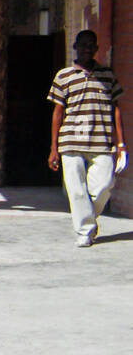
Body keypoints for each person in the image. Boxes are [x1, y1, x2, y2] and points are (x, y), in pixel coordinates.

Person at [48, 29, 126, 247]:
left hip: (101, 142)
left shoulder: (108, 75)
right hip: (70, 141)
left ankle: (87, 217)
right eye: (83, 45)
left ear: (97, 49)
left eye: (91, 45)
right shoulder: (63, 76)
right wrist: (54, 147)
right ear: (75, 47)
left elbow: (116, 109)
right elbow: (57, 113)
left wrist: (121, 144)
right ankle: (85, 231)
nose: (87, 49)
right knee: (76, 189)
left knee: (104, 185)